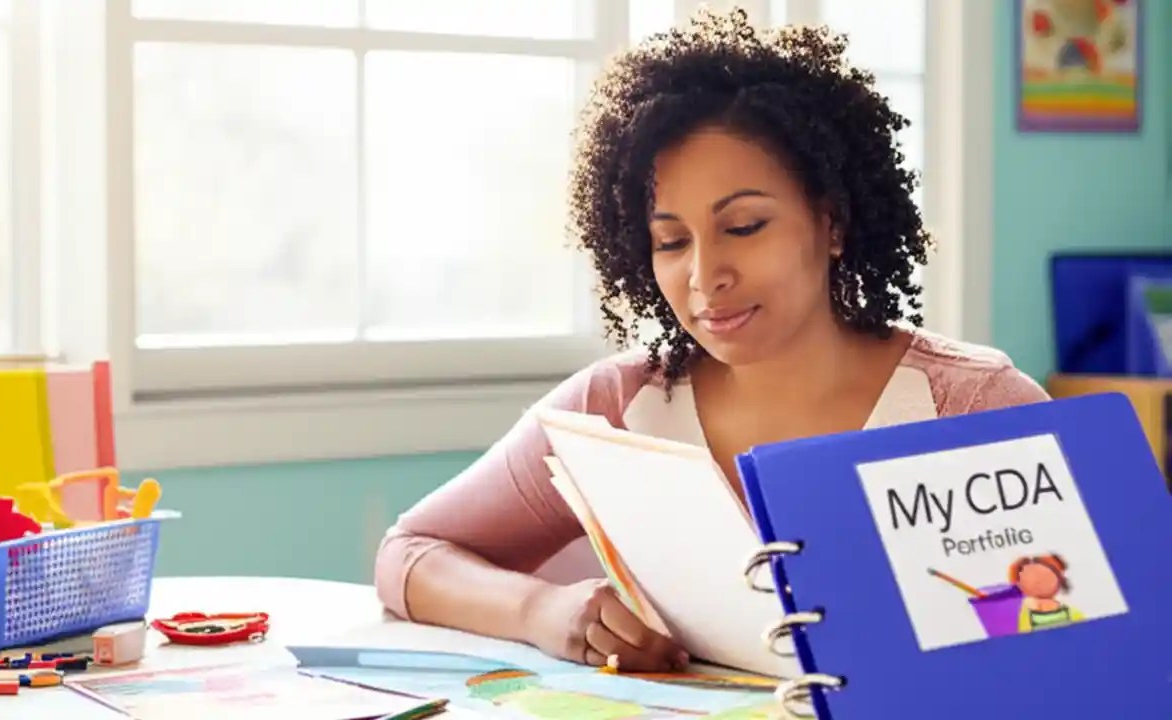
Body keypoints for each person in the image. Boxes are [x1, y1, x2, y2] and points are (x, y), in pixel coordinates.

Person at [374, 9, 1050, 674]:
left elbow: (1091, 637)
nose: (705, 276)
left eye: (746, 226)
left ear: (832, 222)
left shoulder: (974, 407)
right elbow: (410, 553)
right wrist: (543, 612)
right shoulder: (614, 404)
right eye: (670, 241)